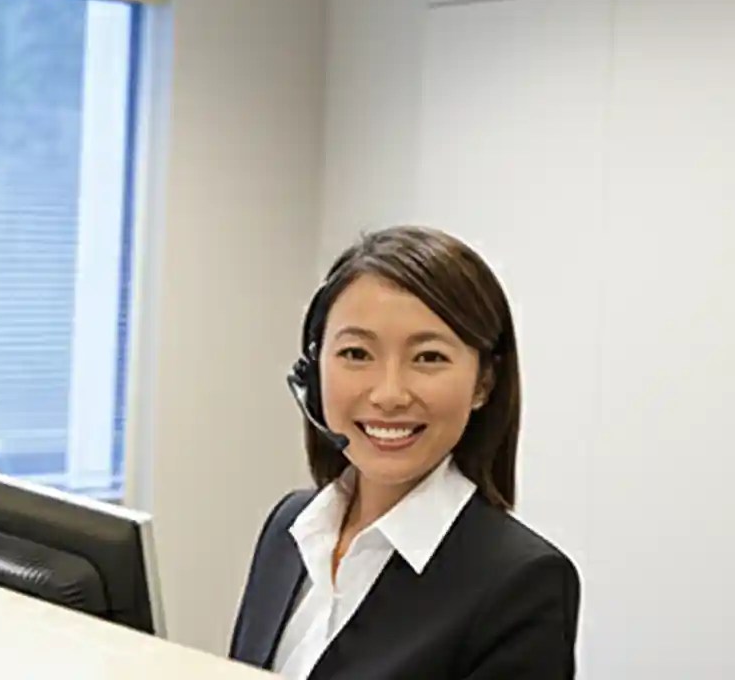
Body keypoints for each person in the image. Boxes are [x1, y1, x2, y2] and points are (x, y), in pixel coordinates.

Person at [229, 226, 580, 679]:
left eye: (428, 357)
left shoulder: (523, 583)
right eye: (356, 353)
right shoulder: (290, 529)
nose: (389, 394)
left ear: (484, 383)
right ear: (313, 373)